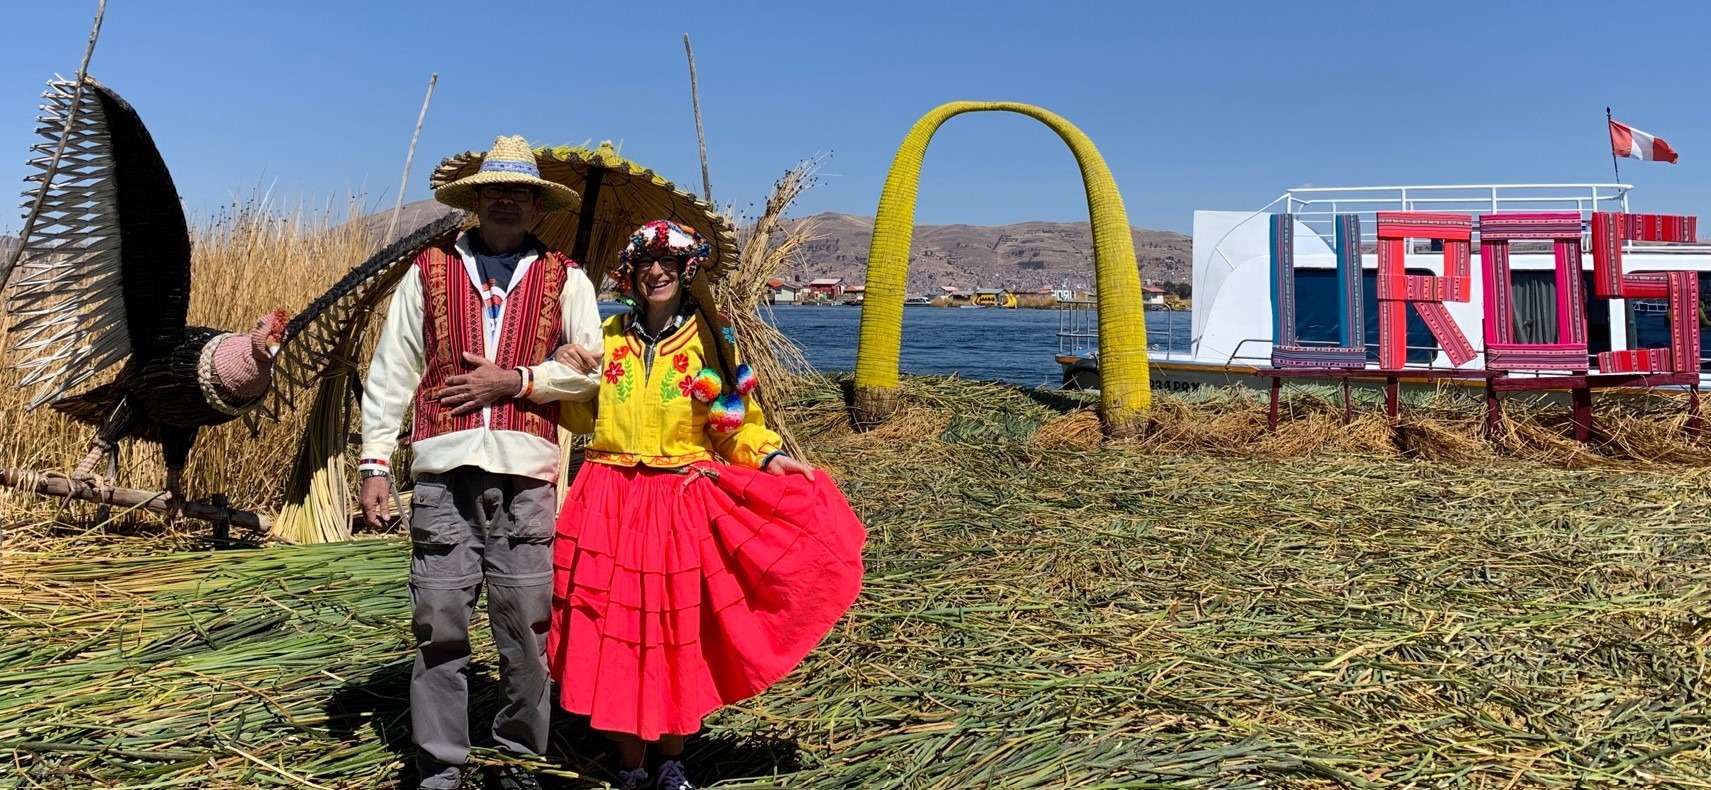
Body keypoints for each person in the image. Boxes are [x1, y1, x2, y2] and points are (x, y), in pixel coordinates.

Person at [547, 220, 867, 790]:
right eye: (646, 262)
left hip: (677, 500)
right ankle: (630, 764)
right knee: (611, 627)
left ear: (688, 272)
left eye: (670, 262)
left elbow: (734, 427)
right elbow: (579, 417)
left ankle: (671, 761)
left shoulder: (711, 341)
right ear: (632, 273)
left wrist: (769, 459)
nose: (658, 271)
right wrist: (563, 371)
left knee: (673, 631)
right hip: (607, 496)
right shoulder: (606, 338)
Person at [358, 135, 603, 790]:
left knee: (525, 633)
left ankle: (516, 769)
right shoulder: (428, 271)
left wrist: (517, 381)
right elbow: (391, 372)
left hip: (527, 477)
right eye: (494, 191)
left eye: (518, 192)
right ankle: (440, 770)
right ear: (475, 199)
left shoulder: (567, 278)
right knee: (439, 626)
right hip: (443, 476)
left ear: (534, 204)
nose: (505, 201)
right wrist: (374, 464)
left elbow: (592, 372)